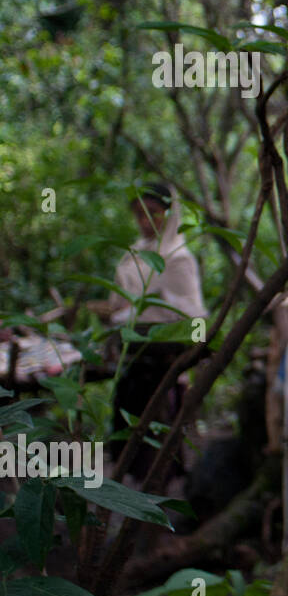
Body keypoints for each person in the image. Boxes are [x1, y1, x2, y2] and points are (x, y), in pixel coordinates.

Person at [90, 181, 207, 483]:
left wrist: (150, 314)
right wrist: (114, 313)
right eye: (139, 215)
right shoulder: (133, 255)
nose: (144, 221)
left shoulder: (178, 258)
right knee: (129, 437)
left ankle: (157, 508)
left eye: (152, 213)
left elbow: (192, 316)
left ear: (169, 214)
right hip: (132, 362)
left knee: (158, 442)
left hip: (163, 365)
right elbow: (119, 302)